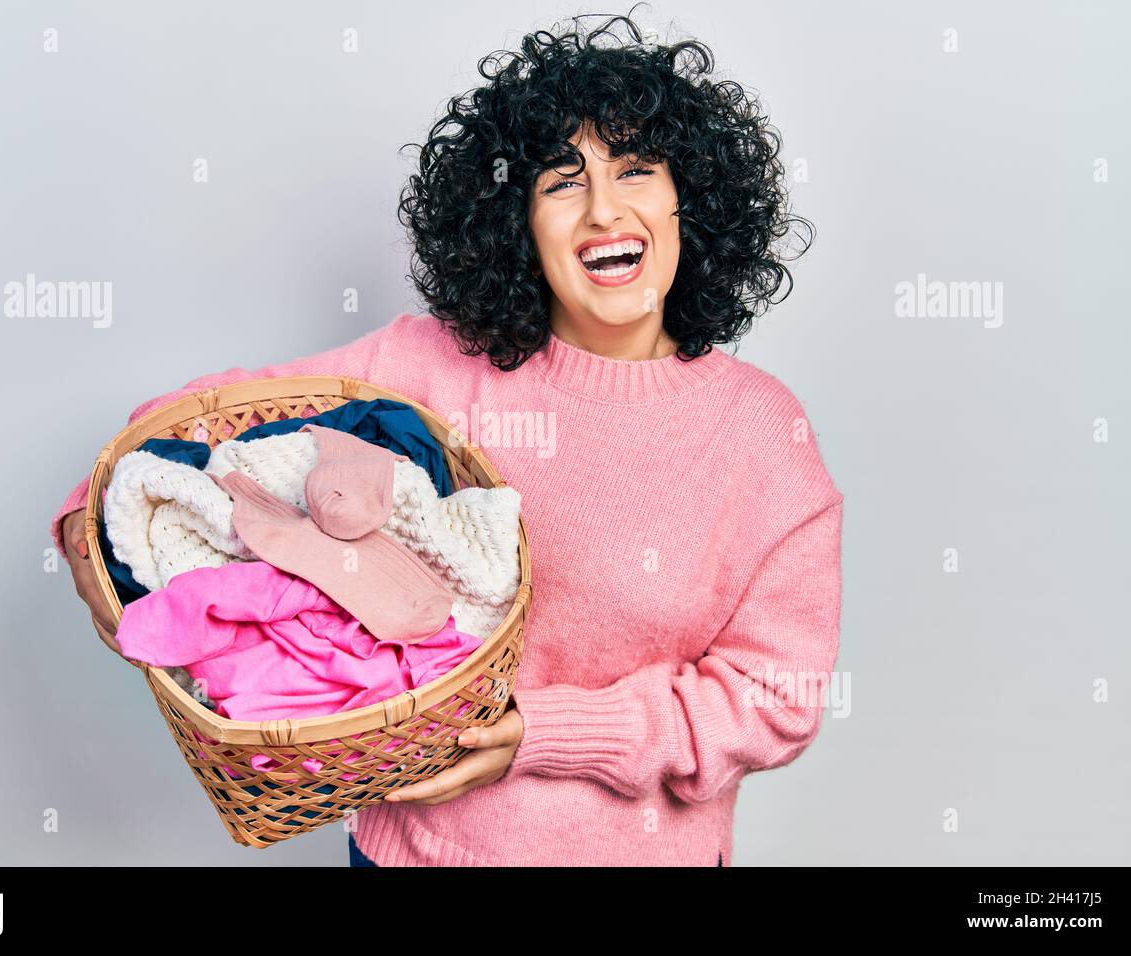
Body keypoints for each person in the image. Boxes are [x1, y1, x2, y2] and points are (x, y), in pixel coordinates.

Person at [51, 13, 842, 867]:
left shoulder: (764, 437)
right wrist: (86, 517)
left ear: (693, 198)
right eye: (562, 182)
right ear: (516, 223)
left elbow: (775, 697)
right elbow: (205, 418)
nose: (605, 210)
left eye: (638, 171)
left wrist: (546, 734)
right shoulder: (425, 366)